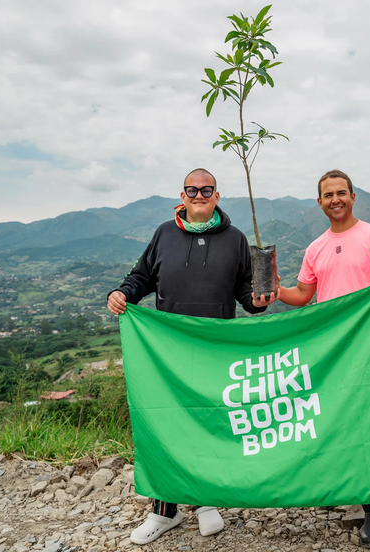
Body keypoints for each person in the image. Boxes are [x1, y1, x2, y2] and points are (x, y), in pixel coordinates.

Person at [107, 168, 277, 544]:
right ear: (182, 197)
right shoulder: (164, 234)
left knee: (209, 423)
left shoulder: (235, 239)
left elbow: (245, 293)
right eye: (192, 190)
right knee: (169, 425)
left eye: (206, 190)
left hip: (216, 351)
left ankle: (204, 500)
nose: (199, 195)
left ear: (217, 196)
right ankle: (163, 512)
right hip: (169, 352)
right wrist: (122, 294)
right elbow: (141, 278)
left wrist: (260, 302)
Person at [278, 169, 370, 549]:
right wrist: (275, 291)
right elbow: (304, 295)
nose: (336, 199)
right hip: (333, 351)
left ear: (353, 197)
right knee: (336, 418)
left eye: (342, 193)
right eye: (328, 195)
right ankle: (343, 485)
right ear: (320, 202)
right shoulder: (315, 247)